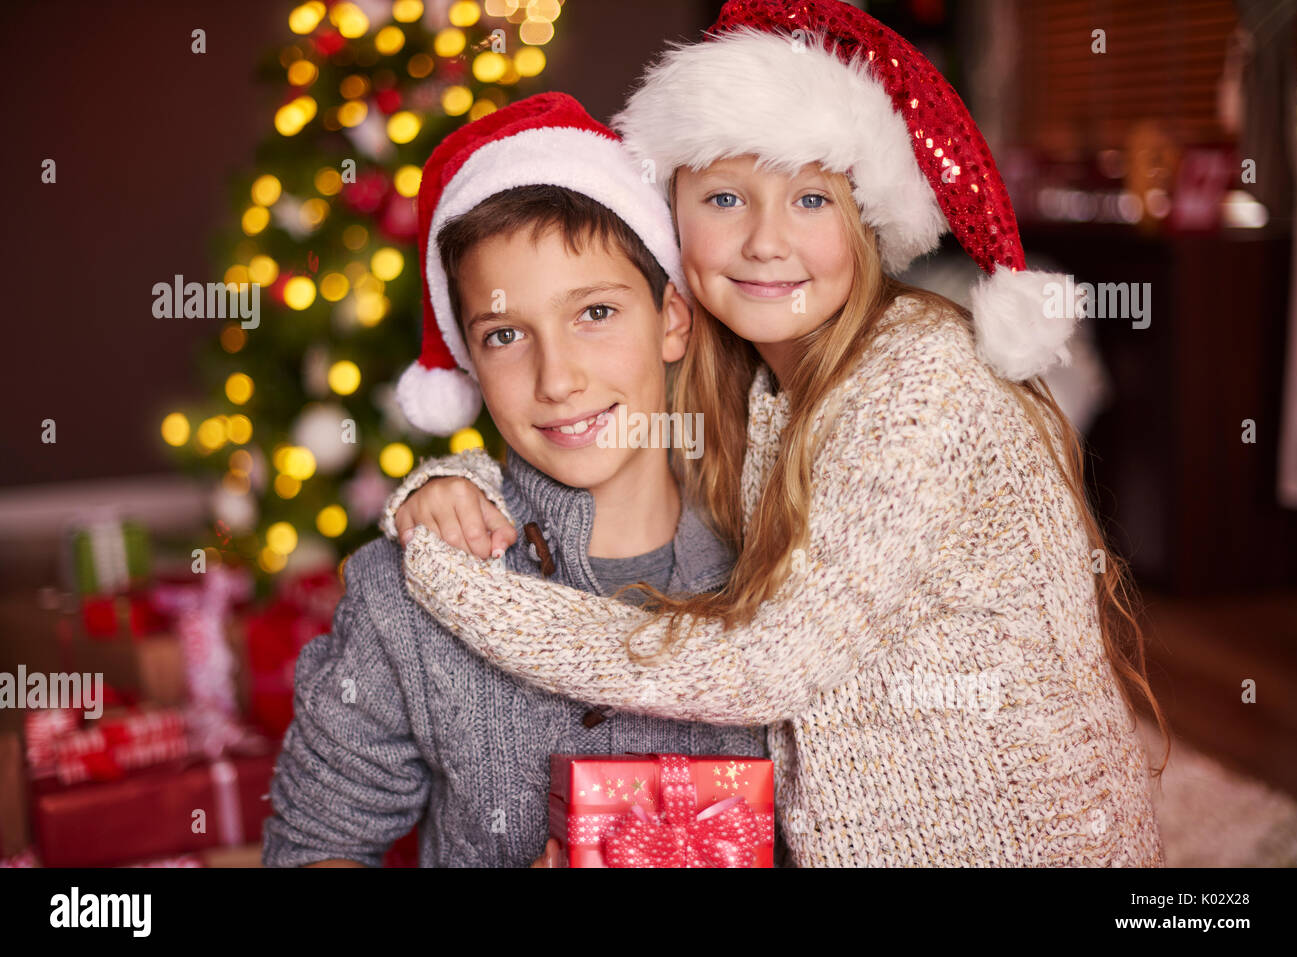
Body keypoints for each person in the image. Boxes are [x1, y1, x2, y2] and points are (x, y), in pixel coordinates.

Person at [386, 1, 1171, 867]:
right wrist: (450, 484)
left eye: (809, 197)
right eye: (725, 196)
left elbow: (769, 663)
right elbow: (575, 412)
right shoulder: (752, 382)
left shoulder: (921, 377)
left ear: (867, 218)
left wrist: (458, 584)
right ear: (672, 214)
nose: (765, 241)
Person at [261, 92, 773, 868]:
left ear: (672, 318)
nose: (557, 379)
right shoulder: (413, 592)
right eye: (505, 334)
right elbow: (311, 849)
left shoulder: (783, 562)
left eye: (594, 312)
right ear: (467, 357)